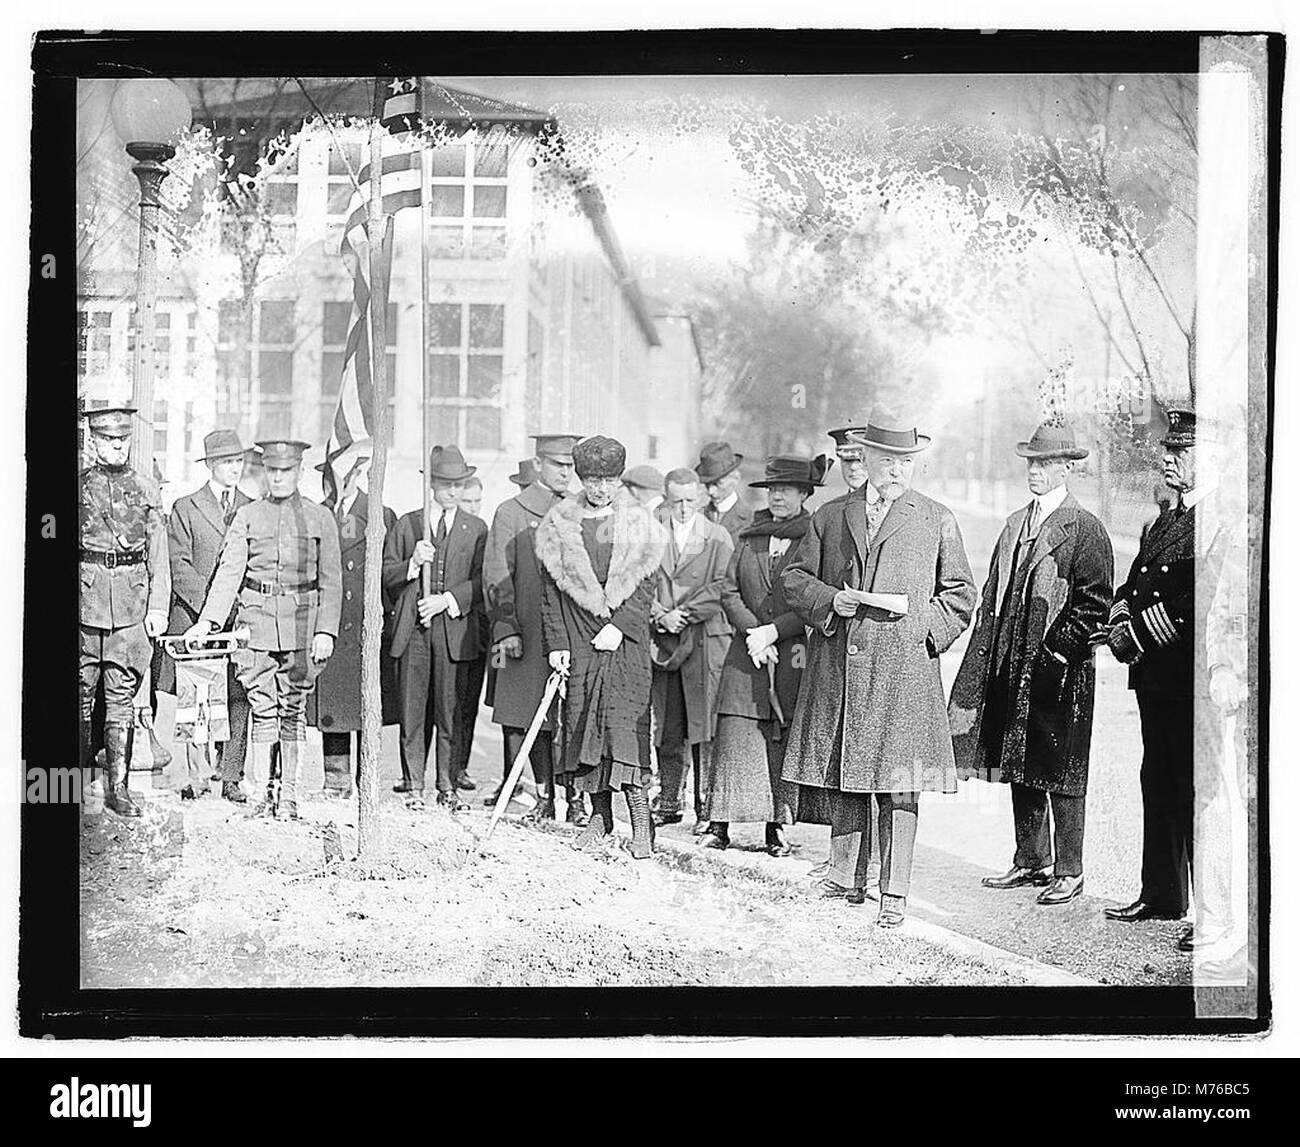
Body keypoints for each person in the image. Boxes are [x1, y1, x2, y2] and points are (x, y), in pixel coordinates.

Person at [781, 412, 976, 928]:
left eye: (905, 462)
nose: (896, 471)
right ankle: (846, 877)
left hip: (904, 674)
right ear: (864, 460)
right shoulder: (830, 515)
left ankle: (895, 891)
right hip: (842, 667)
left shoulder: (936, 518)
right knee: (847, 774)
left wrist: (921, 634)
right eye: (886, 461)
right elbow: (794, 579)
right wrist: (828, 601)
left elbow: (960, 594)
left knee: (899, 785)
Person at [949, 421, 1114, 906]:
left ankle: (1070, 869)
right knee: (1018, 763)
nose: (1036, 471)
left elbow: (1095, 604)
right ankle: (1030, 859)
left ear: (1067, 467)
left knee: (1061, 765)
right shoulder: (1015, 523)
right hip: (1011, 661)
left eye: (1045, 463)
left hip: (1060, 669)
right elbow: (992, 594)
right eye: (1032, 463)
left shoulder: (1084, 528)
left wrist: (1057, 653)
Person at [1102, 408, 1228, 924]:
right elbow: (1130, 586)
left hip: (1193, 680)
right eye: (1168, 452)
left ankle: (1216, 917)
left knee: (1198, 792)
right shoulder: (1163, 521)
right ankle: (1162, 895)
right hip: (1157, 681)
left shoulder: (1219, 520)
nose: (1169, 461)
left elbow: (1209, 600)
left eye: (1182, 453)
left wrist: (1139, 634)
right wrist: (1119, 621)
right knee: (1157, 780)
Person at [182, 439, 341, 821]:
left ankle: (287, 795)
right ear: (264, 472)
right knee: (262, 708)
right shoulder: (249, 516)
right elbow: (229, 573)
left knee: (293, 709)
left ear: (300, 471)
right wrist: (208, 621)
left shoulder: (319, 518)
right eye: (273, 470)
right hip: (256, 626)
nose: (279, 477)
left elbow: (331, 581)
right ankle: (260, 795)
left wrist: (326, 632)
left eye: (287, 470)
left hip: (303, 626)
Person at [536, 435, 666, 857]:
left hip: (625, 646)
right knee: (583, 724)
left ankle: (641, 819)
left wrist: (622, 625)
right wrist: (557, 642)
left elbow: (646, 586)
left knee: (621, 726)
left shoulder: (639, 524)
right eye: (592, 480)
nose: (600, 489)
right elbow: (550, 593)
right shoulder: (559, 524)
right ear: (580, 478)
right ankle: (600, 816)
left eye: (608, 480)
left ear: (618, 480)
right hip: (579, 637)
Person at [701, 454, 829, 855]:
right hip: (747, 649)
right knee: (735, 732)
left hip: (791, 651)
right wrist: (753, 631)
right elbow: (727, 588)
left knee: (780, 733)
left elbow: (814, 595)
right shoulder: (750, 534)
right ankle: (719, 824)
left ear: (804, 494)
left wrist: (776, 631)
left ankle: (776, 828)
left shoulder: (814, 535)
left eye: (785, 490)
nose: (776, 497)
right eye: (772, 490)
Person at [483, 434, 586, 821]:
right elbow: (496, 573)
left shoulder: (582, 509)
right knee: (531, 715)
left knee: (572, 713)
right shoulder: (511, 511)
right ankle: (544, 796)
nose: (566, 473)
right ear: (539, 464)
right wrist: (506, 627)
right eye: (558, 465)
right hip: (528, 632)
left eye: (570, 466)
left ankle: (575, 799)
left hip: (574, 631)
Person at [382, 445, 486, 812]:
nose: (453, 491)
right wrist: (412, 563)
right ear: (432, 484)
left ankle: (447, 785)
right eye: (445, 483)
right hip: (414, 632)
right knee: (413, 709)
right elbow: (386, 572)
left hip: (453, 630)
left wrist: (447, 601)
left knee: (450, 709)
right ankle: (413, 784)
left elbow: (481, 581)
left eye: (458, 483)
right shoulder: (410, 523)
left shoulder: (475, 528)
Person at [80, 406, 171, 818]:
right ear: (93, 441)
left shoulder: (147, 490)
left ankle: (119, 788)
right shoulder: (77, 488)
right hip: (84, 603)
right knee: (80, 696)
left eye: (122, 439)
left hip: (131, 609)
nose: (116, 446)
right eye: (107, 439)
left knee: (121, 698)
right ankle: (75, 787)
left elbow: (159, 555)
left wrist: (158, 606)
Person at [167, 428, 254, 803]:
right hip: (193, 614)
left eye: (238, 461)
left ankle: (231, 774)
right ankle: (194, 775)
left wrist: (233, 607)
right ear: (211, 465)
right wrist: (210, 610)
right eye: (226, 462)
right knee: (196, 694)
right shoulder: (186, 508)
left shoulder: (254, 507)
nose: (234, 468)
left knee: (239, 695)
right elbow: (179, 564)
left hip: (239, 617)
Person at [309, 447, 399, 799]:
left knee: (366, 700)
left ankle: (368, 779)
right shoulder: (318, 514)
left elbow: (389, 569)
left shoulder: (380, 514)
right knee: (333, 698)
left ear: (359, 472)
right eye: (334, 473)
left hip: (366, 622)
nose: (340, 479)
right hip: (329, 619)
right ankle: (336, 777)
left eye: (348, 472)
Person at [649, 467, 734, 830]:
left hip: (701, 639)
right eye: (675, 500)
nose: (683, 508)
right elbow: (638, 579)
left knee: (702, 725)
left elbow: (722, 585)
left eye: (689, 500)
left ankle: (705, 806)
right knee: (667, 724)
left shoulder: (717, 536)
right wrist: (660, 615)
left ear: (699, 497)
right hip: (663, 639)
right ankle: (669, 798)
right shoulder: (651, 535)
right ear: (666, 500)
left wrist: (684, 612)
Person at [449, 475, 489, 793]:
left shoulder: (482, 533)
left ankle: (460, 765)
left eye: (477, 501)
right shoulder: (449, 531)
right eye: (468, 502)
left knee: (467, 703)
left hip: (476, 631)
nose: (473, 508)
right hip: (450, 624)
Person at [696, 441, 753, 544]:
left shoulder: (751, 521)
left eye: (718, 484)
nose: (711, 492)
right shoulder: (697, 516)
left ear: (735, 479)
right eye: (707, 485)